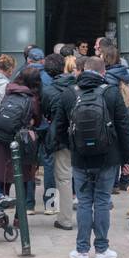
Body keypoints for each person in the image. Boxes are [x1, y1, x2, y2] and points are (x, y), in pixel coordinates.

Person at [55, 56, 129, 258]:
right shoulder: (111, 93)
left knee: (83, 202)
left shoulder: (69, 94)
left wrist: (71, 146)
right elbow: (124, 128)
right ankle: (101, 250)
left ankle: (81, 251)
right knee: (102, 201)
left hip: (80, 158)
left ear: (82, 70)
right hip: (108, 158)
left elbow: (58, 128)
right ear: (103, 72)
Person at [0, 64, 43, 200]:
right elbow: (36, 120)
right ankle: (18, 218)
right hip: (21, 144)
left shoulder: (9, 91)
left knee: (1, 178)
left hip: (0, 141)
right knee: (23, 181)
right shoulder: (32, 98)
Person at [42, 52, 79, 229]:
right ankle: (89, 215)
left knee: (63, 177)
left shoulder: (49, 90)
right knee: (87, 176)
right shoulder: (79, 87)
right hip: (85, 137)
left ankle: (64, 218)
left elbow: (45, 114)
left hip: (62, 139)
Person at [99, 40, 129, 193]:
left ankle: (113, 182)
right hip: (125, 112)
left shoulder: (106, 75)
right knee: (123, 144)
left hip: (109, 114)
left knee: (112, 146)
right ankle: (123, 180)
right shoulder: (125, 72)